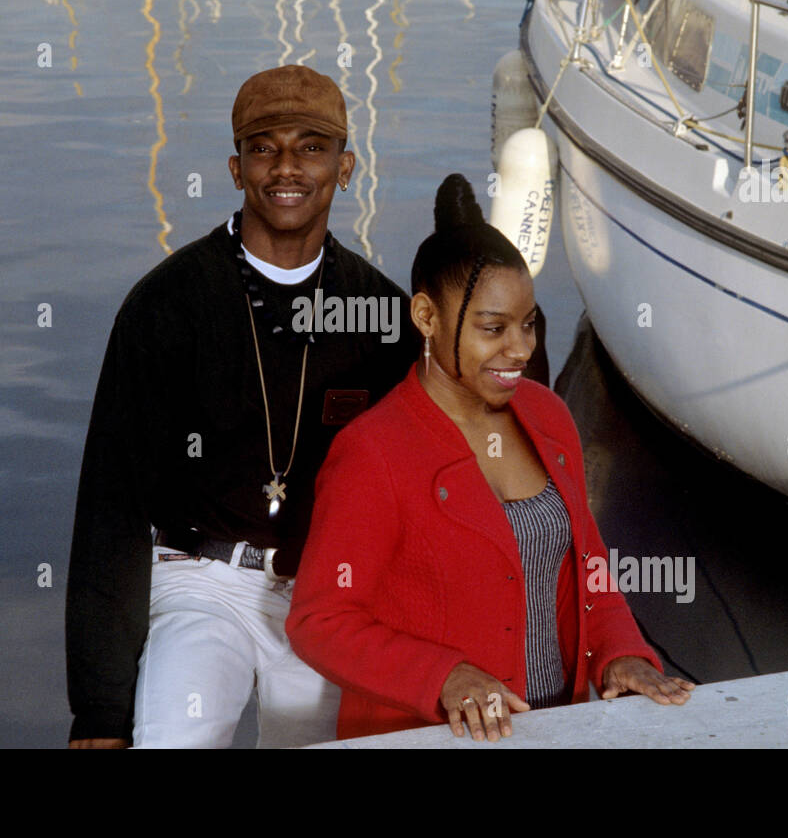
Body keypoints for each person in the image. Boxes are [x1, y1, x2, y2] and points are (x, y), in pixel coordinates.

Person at [65, 65, 419, 748]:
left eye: (311, 147)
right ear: (236, 168)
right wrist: (100, 709)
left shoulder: (383, 315)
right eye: (265, 147)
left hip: (326, 590)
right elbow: (111, 502)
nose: (286, 166)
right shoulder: (166, 304)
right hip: (201, 581)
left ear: (345, 167)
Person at [286, 174, 694, 742]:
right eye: (492, 328)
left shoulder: (547, 415)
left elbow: (589, 568)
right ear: (427, 318)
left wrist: (620, 654)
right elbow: (319, 622)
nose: (521, 349)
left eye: (528, 324)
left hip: (557, 727)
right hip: (434, 734)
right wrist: (443, 676)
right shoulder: (371, 451)